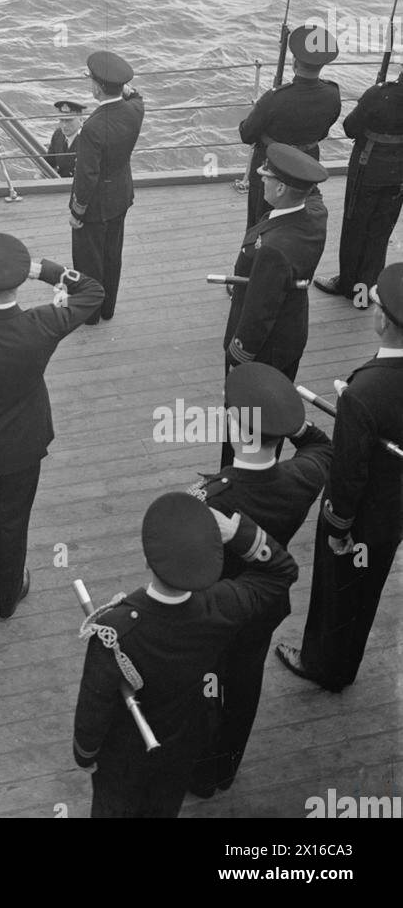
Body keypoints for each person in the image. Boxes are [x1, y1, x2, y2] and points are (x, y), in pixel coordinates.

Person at [71, 492, 298, 819]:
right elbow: (281, 571)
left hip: (124, 754)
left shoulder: (116, 630)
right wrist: (238, 534)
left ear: (149, 559)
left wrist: (85, 752)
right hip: (183, 741)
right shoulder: (223, 606)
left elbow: (95, 702)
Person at [0, 232, 104, 621]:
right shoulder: (43, 323)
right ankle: (9, 595)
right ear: (16, 281)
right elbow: (93, 291)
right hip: (26, 446)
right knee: (15, 519)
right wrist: (42, 271)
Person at [186, 364, 332, 796]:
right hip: (262, 609)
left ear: (235, 427)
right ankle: (225, 769)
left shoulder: (214, 498)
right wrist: (289, 419)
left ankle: (198, 773)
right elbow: (321, 444)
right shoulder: (303, 476)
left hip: (216, 612)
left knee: (204, 689)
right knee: (245, 684)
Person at [276, 262, 403, 692]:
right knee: (366, 591)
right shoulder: (371, 389)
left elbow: (348, 473)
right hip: (394, 511)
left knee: (337, 589)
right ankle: (345, 663)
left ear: (382, 319)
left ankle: (322, 665)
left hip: (361, 516)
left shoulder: (365, 395)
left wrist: (339, 526)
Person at [222, 144, 328, 466]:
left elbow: (259, 315)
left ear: (281, 188)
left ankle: (240, 483)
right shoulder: (313, 214)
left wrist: (238, 356)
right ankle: (266, 470)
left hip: (264, 347)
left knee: (247, 419)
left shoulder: (274, 249)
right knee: (274, 418)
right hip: (292, 331)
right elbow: (314, 195)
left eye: (267, 177)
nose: (260, 178)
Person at [314, 67, 403, 303]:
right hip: (398, 174)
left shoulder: (378, 94)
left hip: (368, 169)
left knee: (355, 228)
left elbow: (350, 127)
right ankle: (367, 289)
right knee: (380, 231)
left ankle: (349, 286)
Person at [68, 51, 144, 324]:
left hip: (95, 206)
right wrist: (124, 88)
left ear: (97, 88)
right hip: (121, 197)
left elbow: (87, 176)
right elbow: (136, 95)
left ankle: (89, 315)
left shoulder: (93, 128)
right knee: (113, 256)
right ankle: (107, 309)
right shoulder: (136, 110)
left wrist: (77, 212)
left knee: (89, 262)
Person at [239, 23, 340, 228]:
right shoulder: (332, 94)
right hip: (307, 163)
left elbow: (246, 134)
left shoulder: (275, 98)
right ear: (322, 65)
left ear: (294, 62)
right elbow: (323, 131)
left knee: (260, 222)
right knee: (296, 218)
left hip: (272, 165)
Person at [45, 99, 85, 179]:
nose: (64, 125)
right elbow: (50, 161)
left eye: (68, 121)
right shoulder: (58, 134)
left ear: (81, 120)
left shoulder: (88, 139)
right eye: (61, 120)